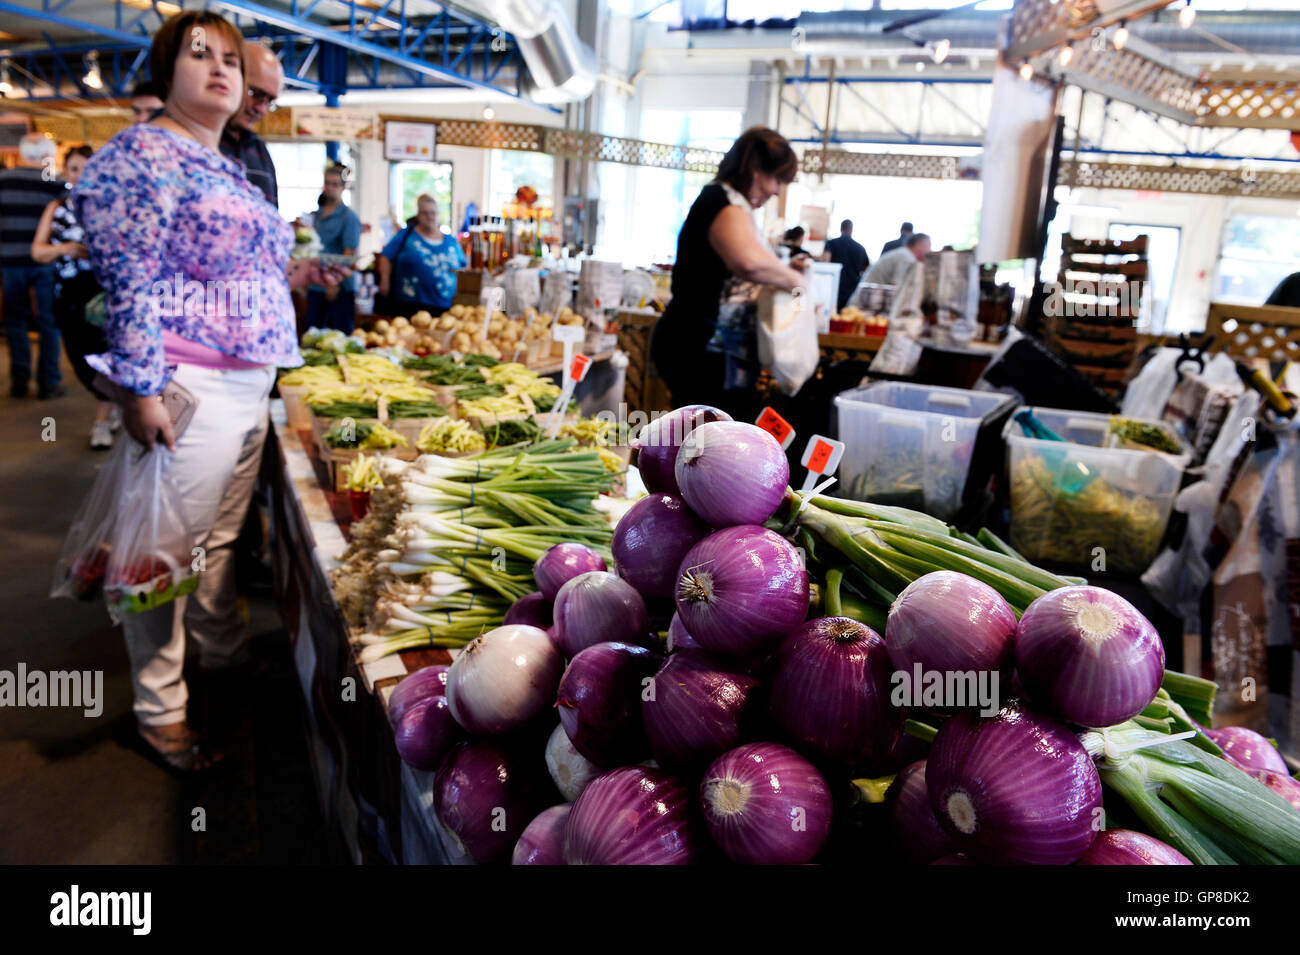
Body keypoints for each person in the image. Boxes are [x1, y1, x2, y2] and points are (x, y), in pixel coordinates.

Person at [73, 9, 348, 771]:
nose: (222, 69)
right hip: (189, 381)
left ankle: (221, 653)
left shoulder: (218, 159)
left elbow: (226, 264)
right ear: (165, 71)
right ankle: (160, 710)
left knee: (218, 537)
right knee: (160, 557)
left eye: (230, 57)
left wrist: (295, 272)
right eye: (201, 55)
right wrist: (140, 390)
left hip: (246, 380)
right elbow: (129, 280)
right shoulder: (141, 155)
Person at [650, 126, 809, 420]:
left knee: (711, 436)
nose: (776, 190)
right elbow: (748, 263)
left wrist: (786, 273)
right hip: (697, 348)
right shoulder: (722, 203)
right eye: (777, 179)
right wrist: (797, 282)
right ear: (756, 170)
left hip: (712, 350)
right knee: (705, 439)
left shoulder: (734, 206)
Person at [31, 145, 117, 448]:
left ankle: (102, 420)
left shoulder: (109, 207)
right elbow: (38, 251)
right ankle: (114, 403)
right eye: (74, 169)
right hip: (68, 295)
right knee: (79, 360)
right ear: (66, 172)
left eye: (86, 168)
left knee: (102, 357)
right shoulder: (56, 208)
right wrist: (64, 249)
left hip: (102, 294)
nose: (80, 175)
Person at [2, 132, 67, 399]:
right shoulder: (55, 183)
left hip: (9, 261)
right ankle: (48, 382)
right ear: (47, 155)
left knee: (15, 319)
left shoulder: (3, 181)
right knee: (50, 321)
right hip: (46, 262)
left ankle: (20, 378)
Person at [377, 194, 466, 315]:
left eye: (433, 213)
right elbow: (386, 256)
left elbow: (463, 268)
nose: (429, 216)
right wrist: (385, 279)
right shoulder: (406, 234)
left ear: (438, 215)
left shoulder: (451, 241)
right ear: (418, 215)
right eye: (425, 213)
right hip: (408, 304)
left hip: (444, 305)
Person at [219, 40, 280, 207]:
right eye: (255, 94)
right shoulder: (193, 141)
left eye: (269, 101)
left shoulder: (258, 149)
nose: (262, 109)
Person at [304, 163, 362, 332]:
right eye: (327, 183)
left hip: (339, 287)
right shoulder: (317, 215)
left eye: (335, 184)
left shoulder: (349, 217)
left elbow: (348, 254)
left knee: (340, 336)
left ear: (343, 187)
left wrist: (334, 283)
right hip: (317, 284)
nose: (329, 187)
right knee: (312, 335)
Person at [821, 218, 869, 311]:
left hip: (834, 289)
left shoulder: (831, 243)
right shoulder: (860, 248)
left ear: (841, 229)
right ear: (851, 229)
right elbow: (866, 270)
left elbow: (825, 263)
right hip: (852, 291)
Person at [863, 232, 931, 288]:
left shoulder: (904, 254)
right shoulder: (906, 258)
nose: (930, 250)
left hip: (868, 296)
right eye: (929, 246)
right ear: (918, 245)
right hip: (867, 298)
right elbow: (898, 289)